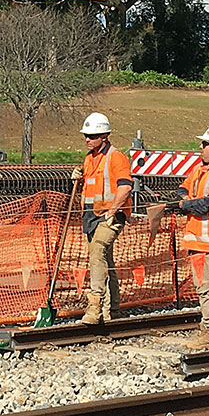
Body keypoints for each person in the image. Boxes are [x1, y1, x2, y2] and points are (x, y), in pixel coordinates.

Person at [148, 123, 209, 342]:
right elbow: (184, 189)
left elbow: (208, 204)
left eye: (206, 144)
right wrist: (181, 199)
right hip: (197, 244)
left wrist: (181, 205)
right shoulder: (200, 170)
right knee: (204, 289)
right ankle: (208, 330)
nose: (201, 147)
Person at [76, 111, 133, 323]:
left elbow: (125, 187)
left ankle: (95, 306)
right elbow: (90, 189)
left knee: (97, 252)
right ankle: (113, 308)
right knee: (105, 260)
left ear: (104, 136)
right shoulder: (89, 159)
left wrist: (113, 211)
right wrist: (78, 180)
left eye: (92, 136)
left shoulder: (115, 157)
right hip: (91, 217)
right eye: (86, 136)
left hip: (110, 216)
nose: (87, 140)